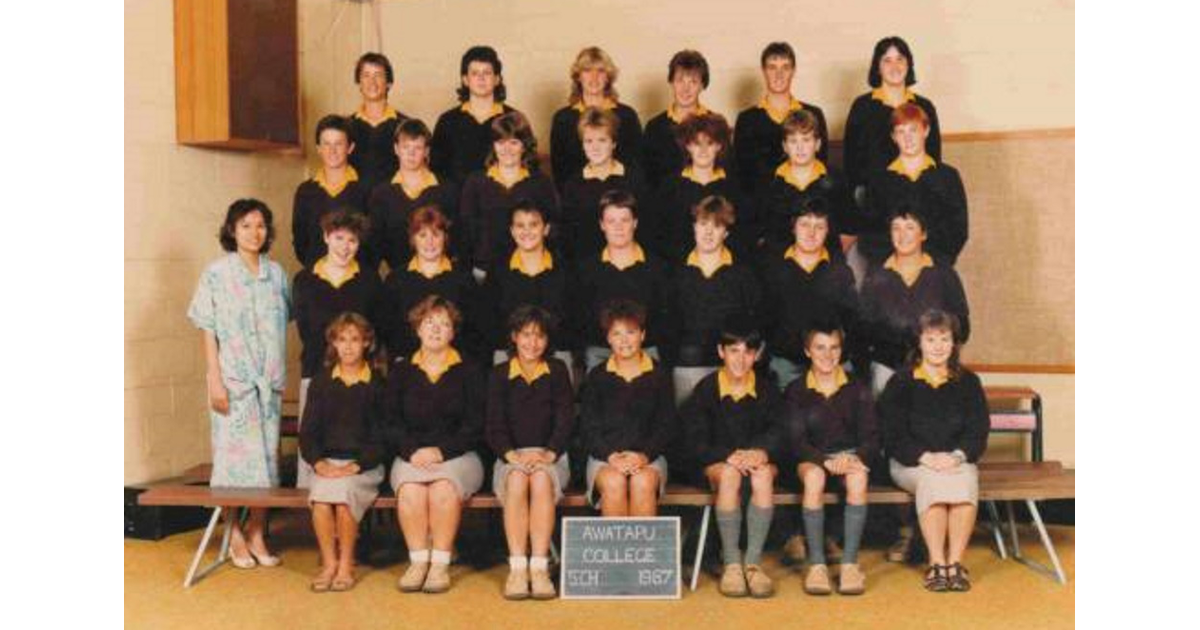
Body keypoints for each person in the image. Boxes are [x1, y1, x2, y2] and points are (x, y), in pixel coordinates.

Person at [187, 198, 290, 568]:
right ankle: (233, 532)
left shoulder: (276, 274)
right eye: (245, 225)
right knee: (233, 464)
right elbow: (207, 328)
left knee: (267, 462)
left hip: (269, 386)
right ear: (232, 230)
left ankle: (258, 532)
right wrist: (214, 379)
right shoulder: (216, 273)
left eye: (260, 225)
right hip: (233, 383)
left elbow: (283, 323)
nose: (254, 232)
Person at [879, 309, 989, 592]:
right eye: (931, 339)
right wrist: (926, 458)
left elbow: (978, 431)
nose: (938, 346)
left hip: (956, 460)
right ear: (919, 342)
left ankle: (955, 565)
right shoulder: (901, 382)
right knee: (933, 481)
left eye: (944, 339)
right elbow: (892, 434)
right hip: (912, 463)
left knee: (965, 479)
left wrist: (956, 456)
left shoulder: (969, 382)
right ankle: (937, 564)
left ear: (954, 343)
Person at [385, 296, 486, 594]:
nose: (436, 329)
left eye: (444, 324)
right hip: (411, 455)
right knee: (411, 490)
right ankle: (418, 562)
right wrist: (412, 451)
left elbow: (475, 424)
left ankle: (440, 564)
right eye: (429, 322)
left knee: (443, 488)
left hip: (459, 456)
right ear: (417, 328)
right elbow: (390, 422)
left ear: (453, 332)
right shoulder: (401, 371)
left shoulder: (470, 370)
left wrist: (441, 451)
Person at [680, 317, 785, 598]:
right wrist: (729, 456)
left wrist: (761, 452)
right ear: (720, 351)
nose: (741, 359)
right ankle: (731, 565)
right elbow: (695, 442)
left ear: (757, 354)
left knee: (763, 475)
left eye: (748, 352)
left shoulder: (768, 389)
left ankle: (752, 563)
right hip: (718, 463)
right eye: (733, 351)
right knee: (729, 475)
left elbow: (779, 432)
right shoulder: (705, 390)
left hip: (756, 462)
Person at [485, 306, 575, 600]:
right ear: (514, 337)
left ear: (547, 340)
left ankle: (538, 567)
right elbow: (493, 425)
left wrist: (550, 454)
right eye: (526, 335)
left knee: (539, 481)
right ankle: (517, 567)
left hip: (551, 455)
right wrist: (512, 456)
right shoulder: (499, 373)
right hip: (510, 456)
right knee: (516, 481)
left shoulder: (559, 370)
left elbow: (565, 420)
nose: (532, 343)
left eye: (539, 336)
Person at [784, 324, 878, 596]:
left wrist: (854, 458)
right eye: (820, 348)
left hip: (848, 458)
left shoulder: (857, 387)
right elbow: (796, 441)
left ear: (841, 351)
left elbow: (872, 436)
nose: (828, 355)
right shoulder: (796, 390)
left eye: (834, 347)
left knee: (858, 478)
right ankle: (817, 565)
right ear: (807, 351)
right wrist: (824, 461)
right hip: (811, 459)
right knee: (814, 478)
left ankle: (849, 563)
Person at [292, 209, 382, 487]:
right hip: (318, 372)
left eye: (352, 240)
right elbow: (306, 331)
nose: (345, 246)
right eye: (339, 238)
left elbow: (376, 330)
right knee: (315, 457)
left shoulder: (370, 280)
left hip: (360, 379)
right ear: (326, 237)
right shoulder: (304, 280)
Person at [301, 313, 387, 593]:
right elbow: (308, 434)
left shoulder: (378, 384)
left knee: (343, 495)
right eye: (342, 340)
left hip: (364, 465)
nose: (348, 346)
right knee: (323, 498)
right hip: (328, 462)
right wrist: (318, 463)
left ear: (366, 343)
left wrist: (357, 465)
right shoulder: (321, 383)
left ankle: (346, 564)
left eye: (355, 339)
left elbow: (383, 437)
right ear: (333, 344)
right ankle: (329, 564)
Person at [580, 300, 676, 516]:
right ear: (608, 338)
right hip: (605, 458)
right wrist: (611, 456)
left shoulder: (660, 375)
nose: (624, 340)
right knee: (614, 482)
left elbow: (666, 425)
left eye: (631, 332)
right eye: (617, 334)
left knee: (642, 482)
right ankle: (616, 551)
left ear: (642, 335)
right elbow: (588, 427)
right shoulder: (597, 376)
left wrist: (643, 456)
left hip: (649, 458)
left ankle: (640, 551)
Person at [860, 207, 970, 394]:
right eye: (896, 228)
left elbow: (963, 327)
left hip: (935, 367)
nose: (902, 235)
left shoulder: (944, 273)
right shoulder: (876, 274)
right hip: (888, 368)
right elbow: (863, 330)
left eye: (910, 227)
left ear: (923, 234)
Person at [760, 201, 860, 390]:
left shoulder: (839, 270)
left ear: (828, 231)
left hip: (829, 362)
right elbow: (765, 317)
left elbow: (851, 321)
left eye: (819, 227)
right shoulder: (774, 268)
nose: (811, 233)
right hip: (787, 362)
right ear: (793, 228)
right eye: (804, 224)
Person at [573, 190, 674, 371]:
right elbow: (581, 319)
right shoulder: (586, 270)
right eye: (611, 221)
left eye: (624, 220)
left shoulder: (658, 268)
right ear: (602, 225)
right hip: (600, 353)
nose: (618, 227)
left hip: (646, 352)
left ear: (635, 223)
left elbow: (665, 320)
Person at [857, 102, 967, 267]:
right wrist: (894, 263)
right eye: (901, 132)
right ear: (893, 137)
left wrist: (927, 261)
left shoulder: (947, 176)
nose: (907, 138)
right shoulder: (879, 179)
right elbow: (869, 233)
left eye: (913, 130)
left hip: (934, 266)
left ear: (926, 131)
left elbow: (957, 229)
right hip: (889, 268)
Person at [672, 196, 761, 396]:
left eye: (717, 225)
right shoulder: (676, 273)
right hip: (688, 367)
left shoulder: (743, 275)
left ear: (726, 232)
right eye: (703, 224)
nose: (708, 232)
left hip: (732, 369)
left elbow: (755, 321)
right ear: (694, 227)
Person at [458, 111, 559, 280]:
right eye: (500, 142)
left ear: (524, 145)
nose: (507, 149)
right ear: (493, 145)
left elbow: (554, 228)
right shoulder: (476, 182)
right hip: (484, 269)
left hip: (528, 269)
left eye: (514, 142)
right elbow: (466, 232)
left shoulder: (541, 182)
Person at [378, 205, 480, 362]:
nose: (429, 242)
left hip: (455, 365)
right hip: (408, 365)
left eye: (436, 235)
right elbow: (388, 327)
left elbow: (474, 329)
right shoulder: (396, 279)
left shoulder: (464, 278)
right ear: (413, 239)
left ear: (445, 238)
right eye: (422, 235)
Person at [843, 36, 942, 193]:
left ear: (908, 64)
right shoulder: (862, 106)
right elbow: (851, 162)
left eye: (900, 59)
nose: (894, 66)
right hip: (874, 194)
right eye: (887, 60)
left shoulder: (925, 106)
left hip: (917, 188)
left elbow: (934, 157)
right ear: (877, 67)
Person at [653, 112, 754, 262]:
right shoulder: (669, 187)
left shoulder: (734, 188)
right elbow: (659, 236)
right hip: (678, 268)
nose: (703, 150)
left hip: (723, 267)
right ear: (687, 146)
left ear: (719, 146)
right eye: (697, 143)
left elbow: (744, 235)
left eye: (710, 143)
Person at [481, 202, 572, 366]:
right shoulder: (498, 271)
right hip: (507, 354)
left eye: (534, 225)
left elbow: (572, 318)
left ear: (546, 229)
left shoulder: (565, 270)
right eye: (520, 225)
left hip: (556, 354)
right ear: (512, 231)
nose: (527, 231)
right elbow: (488, 319)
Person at [734, 42, 829, 195]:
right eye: (772, 67)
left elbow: (822, 168)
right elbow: (741, 176)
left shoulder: (814, 114)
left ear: (793, 71)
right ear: (763, 71)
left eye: (785, 67)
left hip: (807, 204)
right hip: (761, 209)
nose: (779, 74)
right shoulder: (747, 120)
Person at [367, 118, 461, 272]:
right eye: (405, 147)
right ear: (396, 149)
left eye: (417, 147)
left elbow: (456, 239)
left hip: (439, 272)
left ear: (426, 151)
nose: (411, 153)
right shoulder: (381, 193)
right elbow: (375, 245)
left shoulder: (447, 190)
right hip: (397, 276)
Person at [560, 106, 648, 263]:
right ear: (582, 145)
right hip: (585, 265)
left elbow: (646, 229)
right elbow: (568, 238)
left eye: (602, 140)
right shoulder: (573, 185)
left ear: (613, 143)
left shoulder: (634, 179)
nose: (595, 147)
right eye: (589, 141)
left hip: (629, 262)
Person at [758, 109, 852, 255]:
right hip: (780, 266)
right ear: (784, 146)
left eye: (806, 140)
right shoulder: (769, 182)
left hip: (825, 263)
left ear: (818, 144)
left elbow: (848, 232)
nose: (800, 147)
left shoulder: (836, 179)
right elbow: (762, 235)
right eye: (793, 141)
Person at [549, 46, 644, 190]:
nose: (594, 77)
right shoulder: (562, 119)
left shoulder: (627, 116)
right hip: (577, 197)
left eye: (600, 71)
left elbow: (636, 166)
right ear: (578, 76)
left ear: (608, 77)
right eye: (587, 71)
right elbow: (560, 172)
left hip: (620, 198)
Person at [431, 46, 521, 186]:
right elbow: (437, 171)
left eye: (487, 73)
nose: (481, 78)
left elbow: (528, 165)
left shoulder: (514, 119)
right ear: (465, 80)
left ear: (497, 79)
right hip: (458, 202)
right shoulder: (447, 121)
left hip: (502, 200)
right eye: (475, 73)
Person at [293, 115, 370, 268]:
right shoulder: (305, 191)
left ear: (350, 147)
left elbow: (372, 243)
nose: (332, 151)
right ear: (318, 149)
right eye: (326, 144)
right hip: (316, 278)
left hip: (356, 279)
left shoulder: (367, 190)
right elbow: (300, 242)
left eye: (339, 144)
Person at [643, 50, 714, 190]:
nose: (685, 89)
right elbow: (647, 178)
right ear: (671, 82)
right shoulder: (654, 127)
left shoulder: (714, 125)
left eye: (693, 82)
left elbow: (725, 174)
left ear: (702, 85)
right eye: (680, 80)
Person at [347, 52, 410, 193]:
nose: (372, 82)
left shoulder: (405, 125)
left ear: (389, 83)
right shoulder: (346, 127)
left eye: (378, 75)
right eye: (366, 75)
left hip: (394, 204)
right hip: (355, 207)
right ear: (359, 83)